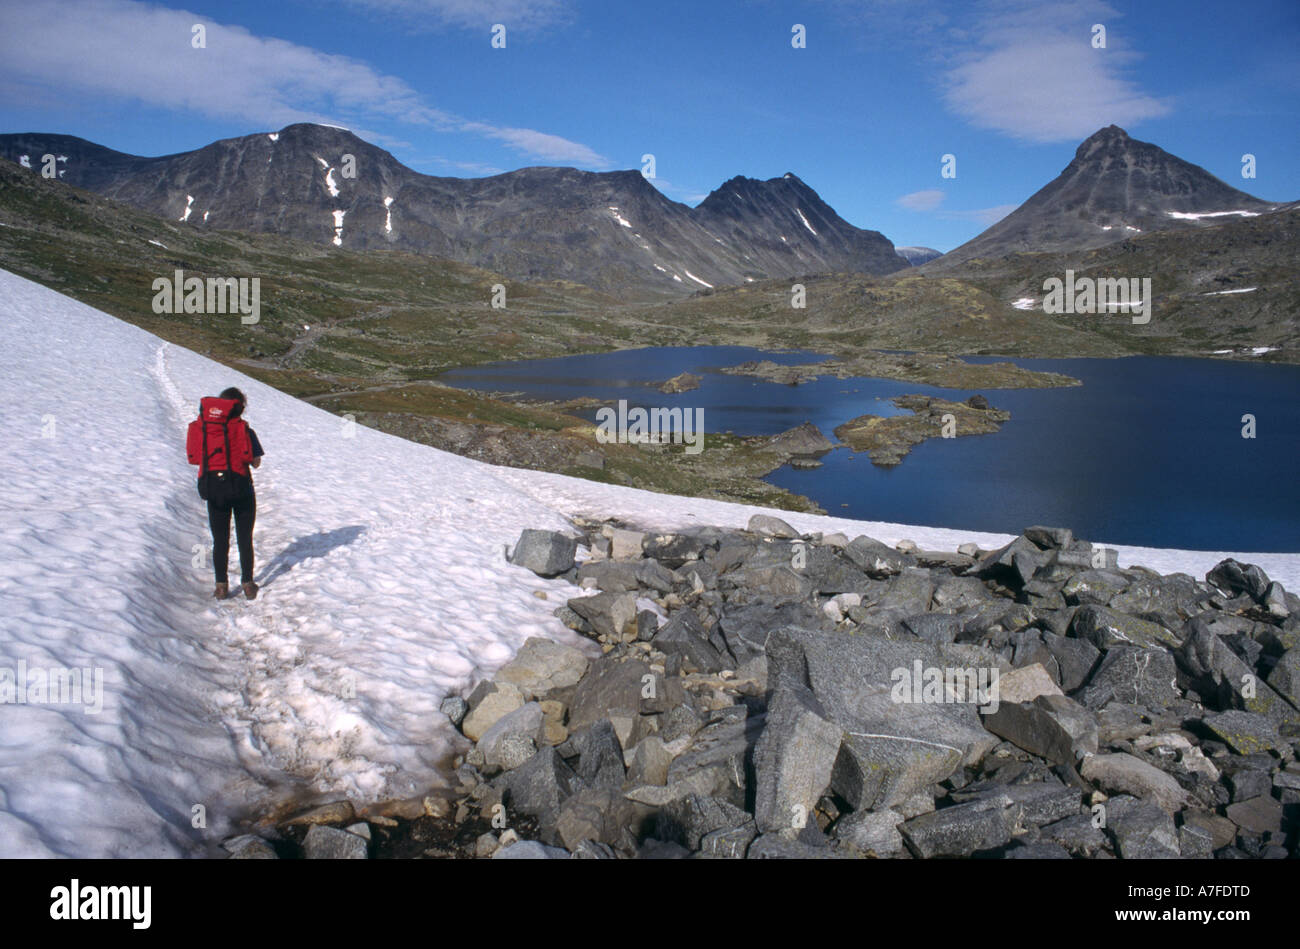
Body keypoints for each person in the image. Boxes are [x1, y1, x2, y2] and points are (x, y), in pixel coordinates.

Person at [190, 386, 264, 599]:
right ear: (240, 408)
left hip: (214, 489)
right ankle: (248, 583)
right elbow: (256, 462)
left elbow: (195, 458)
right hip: (241, 489)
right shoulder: (244, 430)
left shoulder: (204, 428)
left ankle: (221, 586)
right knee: (244, 538)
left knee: (220, 539)